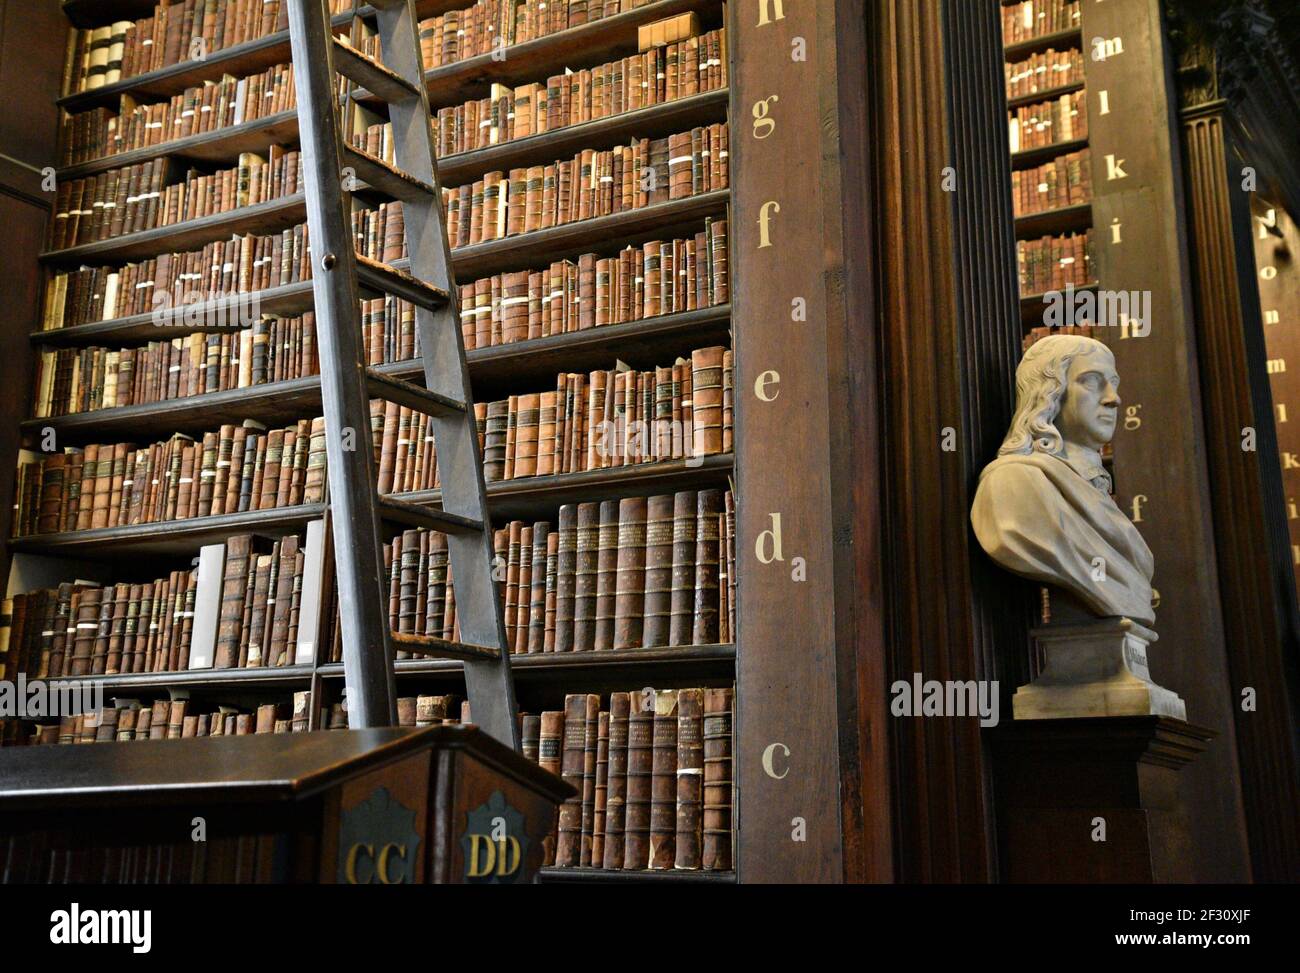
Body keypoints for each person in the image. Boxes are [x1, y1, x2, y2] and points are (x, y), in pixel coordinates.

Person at [970, 334, 1156, 625]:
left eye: (1114, 383)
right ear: (1048, 393)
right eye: (1092, 381)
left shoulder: (1091, 486)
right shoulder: (1014, 483)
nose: (1113, 398)